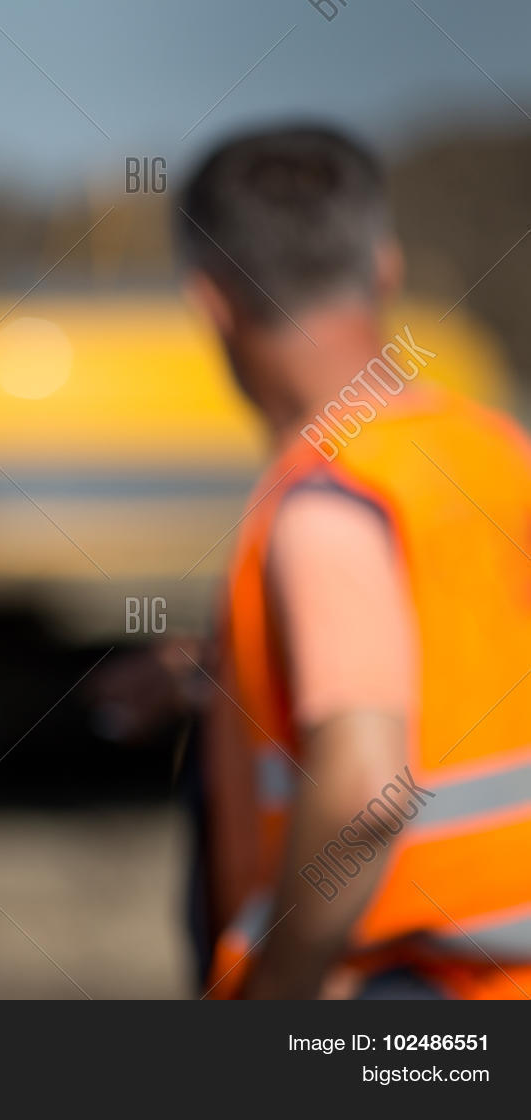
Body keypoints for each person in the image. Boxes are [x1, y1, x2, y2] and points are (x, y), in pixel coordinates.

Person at [176, 124, 531, 999]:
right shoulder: (495, 449)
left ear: (210, 302)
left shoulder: (330, 500)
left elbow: (367, 792)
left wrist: (279, 995)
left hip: (405, 990)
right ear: (386, 266)